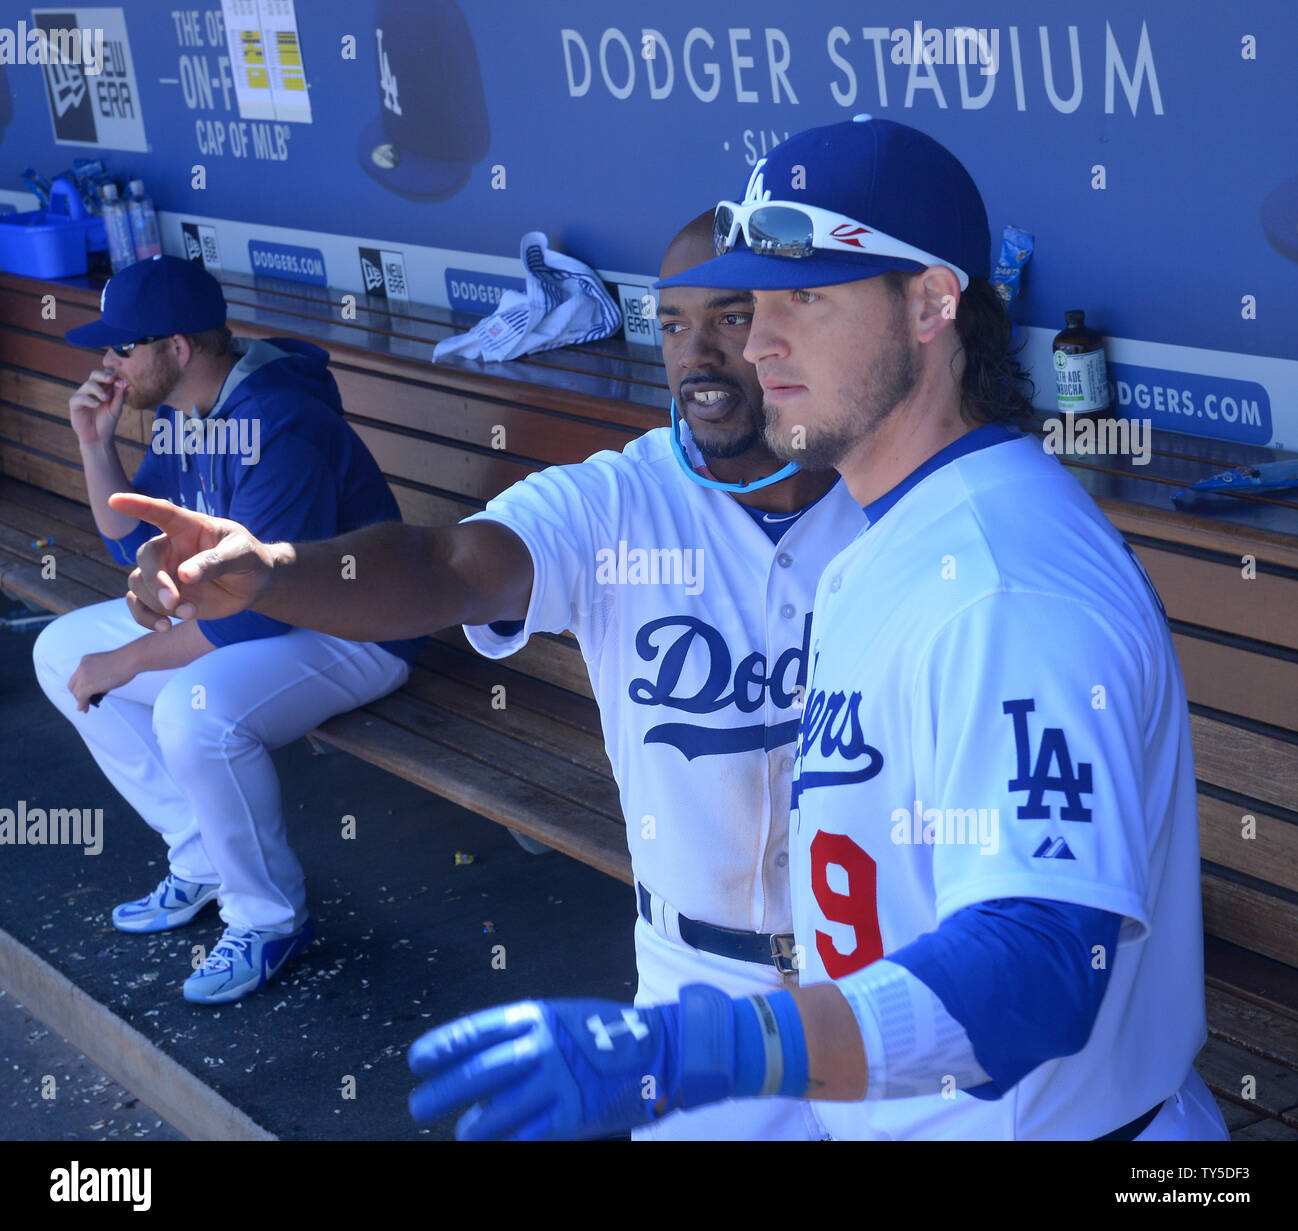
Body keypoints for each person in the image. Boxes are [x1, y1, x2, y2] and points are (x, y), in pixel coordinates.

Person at [394, 117, 1230, 1142]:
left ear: (929, 304)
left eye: (806, 298)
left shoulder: (1004, 585)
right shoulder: (894, 532)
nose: (756, 342)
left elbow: (1044, 960)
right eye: (755, 304)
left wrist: (710, 1048)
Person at [110, 219, 867, 1139]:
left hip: (888, 974)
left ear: (794, 326)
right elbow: (447, 564)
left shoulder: (891, 499)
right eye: (671, 324)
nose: (697, 354)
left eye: (731, 316)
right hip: (697, 986)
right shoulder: (617, 497)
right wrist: (276, 570)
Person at [33, 255, 424, 1005]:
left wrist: (126, 661)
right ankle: (203, 854)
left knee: (195, 713)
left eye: (123, 347)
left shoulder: (282, 422)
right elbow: (130, 540)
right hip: (261, 615)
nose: (107, 362)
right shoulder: (191, 409)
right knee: (59, 651)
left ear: (176, 349)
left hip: (362, 628)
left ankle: (269, 916)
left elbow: (253, 612)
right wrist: (93, 442)